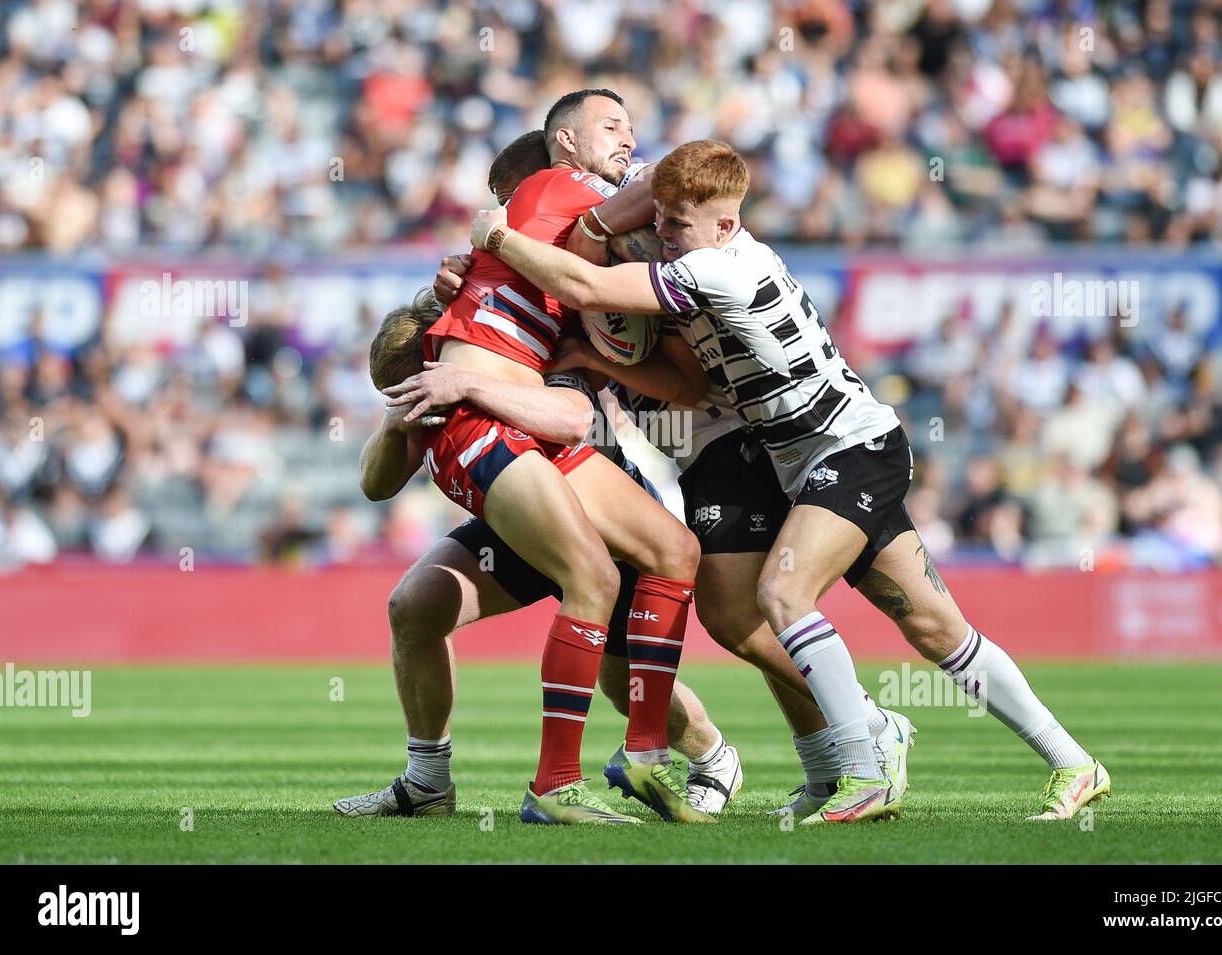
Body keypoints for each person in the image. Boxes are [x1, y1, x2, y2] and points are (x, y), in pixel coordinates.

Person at [471, 139, 1111, 823]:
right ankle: (1075, 763)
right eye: (658, 219)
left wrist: (497, 237)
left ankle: (865, 763)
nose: (661, 233)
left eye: (675, 224)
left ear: (723, 224)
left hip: (851, 447)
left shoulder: (720, 269)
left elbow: (587, 287)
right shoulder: (701, 253)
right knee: (935, 626)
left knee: (780, 592)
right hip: (816, 455)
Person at [354, 105, 715, 826]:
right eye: (611, 125)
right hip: (488, 433)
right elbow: (671, 181)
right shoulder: (560, 192)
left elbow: (593, 398)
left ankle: (651, 754)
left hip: (546, 443)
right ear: (566, 150)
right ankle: (552, 787)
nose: (629, 137)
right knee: (591, 581)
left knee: (676, 549)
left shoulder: (560, 274)